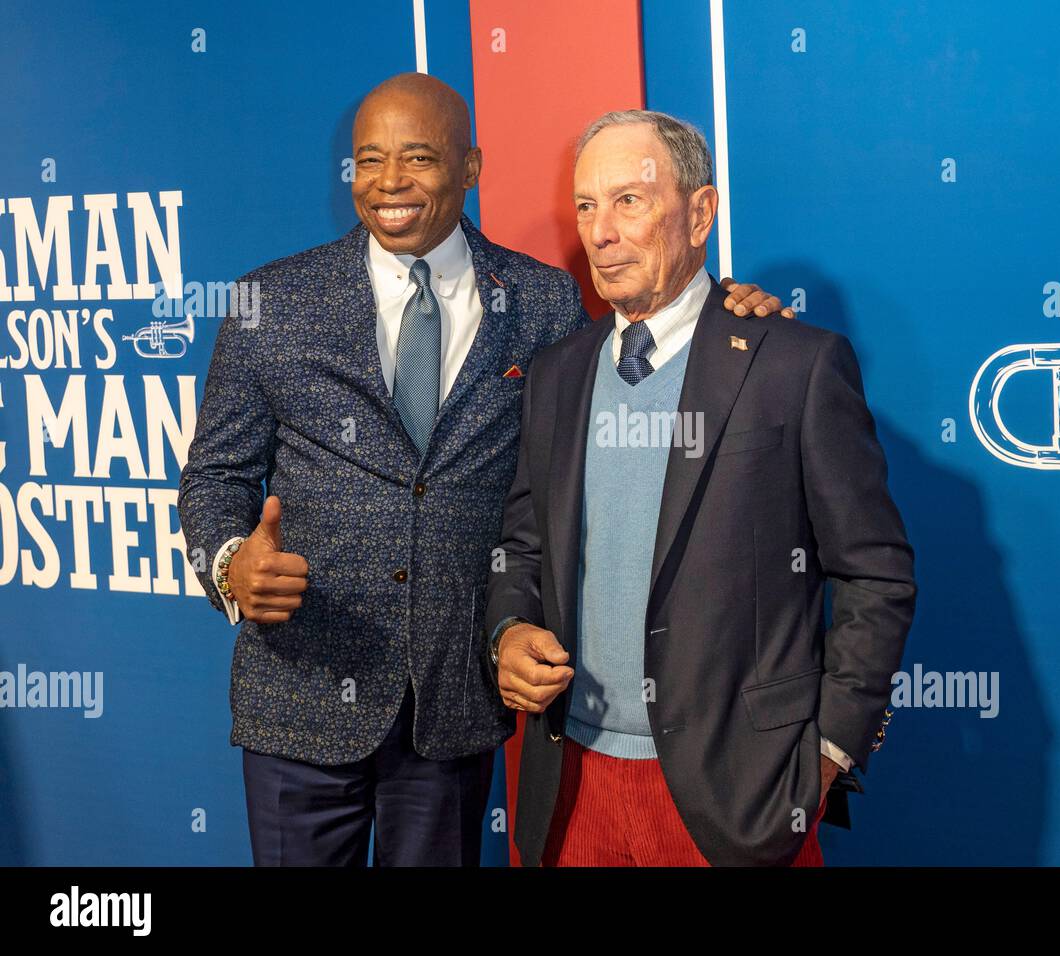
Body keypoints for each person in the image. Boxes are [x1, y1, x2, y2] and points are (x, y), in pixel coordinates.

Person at [177, 75, 786, 866]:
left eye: (418, 158)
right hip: (301, 691)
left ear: (471, 167)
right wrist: (229, 565)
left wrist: (731, 310)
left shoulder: (543, 302)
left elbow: (650, 341)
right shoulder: (272, 299)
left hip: (454, 701)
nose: (389, 183)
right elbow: (214, 477)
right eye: (369, 161)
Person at [485, 110, 917, 866]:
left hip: (737, 798)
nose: (601, 232)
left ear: (701, 211)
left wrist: (826, 754)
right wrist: (509, 631)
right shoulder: (555, 373)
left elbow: (875, 572)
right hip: (568, 785)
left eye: (630, 200)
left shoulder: (793, 365)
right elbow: (522, 546)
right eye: (586, 206)